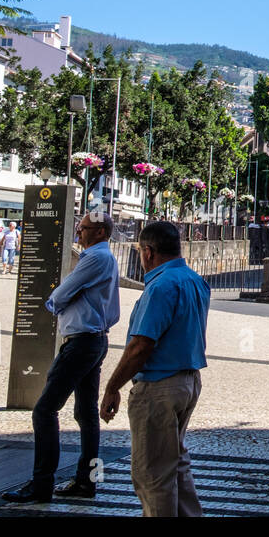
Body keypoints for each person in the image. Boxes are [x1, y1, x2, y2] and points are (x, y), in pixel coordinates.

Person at [2, 212, 121, 504]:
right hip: (93, 339)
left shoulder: (95, 258)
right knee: (86, 413)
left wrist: (55, 302)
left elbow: (61, 294)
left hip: (81, 341)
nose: (78, 233)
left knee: (45, 410)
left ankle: (42, 483)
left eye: (84, 229)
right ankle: (86, 481)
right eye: (78, 227)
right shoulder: (102, 257)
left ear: (101, 232)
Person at [100, 221, 211, 517]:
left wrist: (112, 387)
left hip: (159, 385)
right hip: (188, 381)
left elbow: (141, 346)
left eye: (139, 251)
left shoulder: (161, 286)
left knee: (153, 475)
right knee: (176, 466)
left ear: (148, 252)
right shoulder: (195, 280)